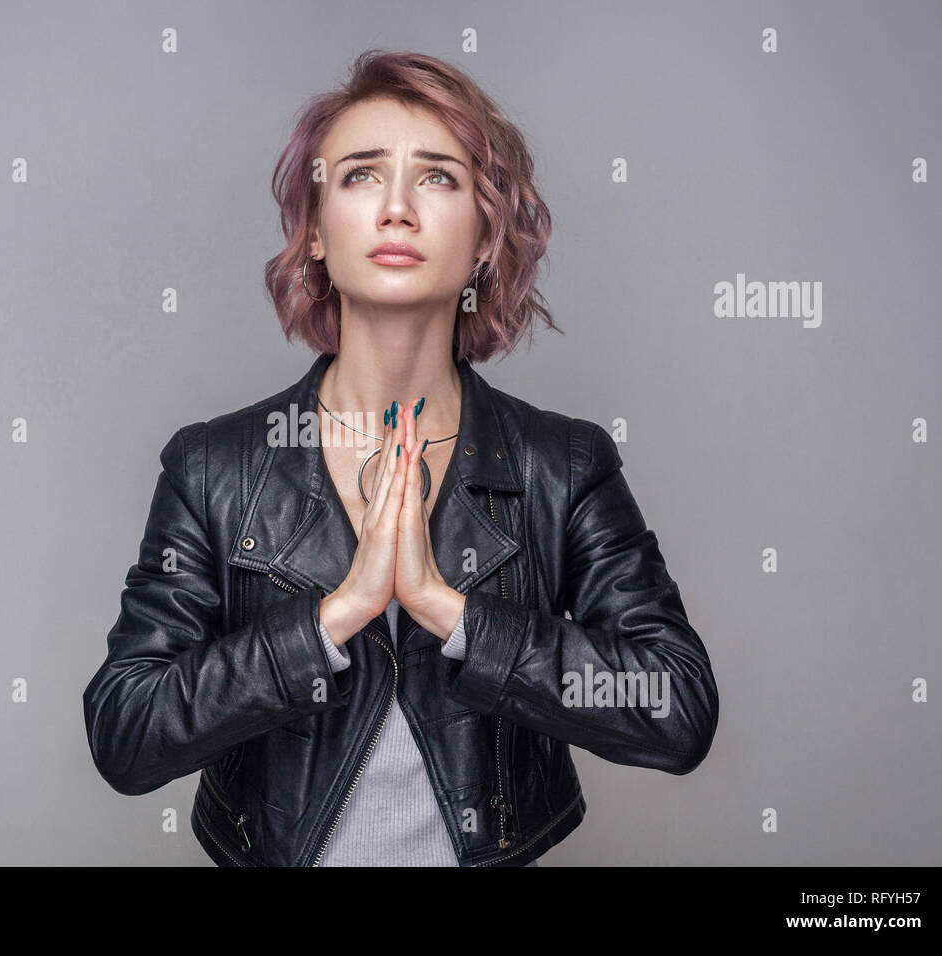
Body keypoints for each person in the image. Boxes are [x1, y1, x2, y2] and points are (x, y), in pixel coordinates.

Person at [84, 50, 719, 867]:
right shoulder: (215, 468)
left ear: (488, 236)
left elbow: (676, 709)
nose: (395, 209)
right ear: (314, 231)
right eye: (358, 176)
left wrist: (448, 611)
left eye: (438, 178)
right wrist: (336, 616)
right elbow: (127, 731)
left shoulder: (561, 467)